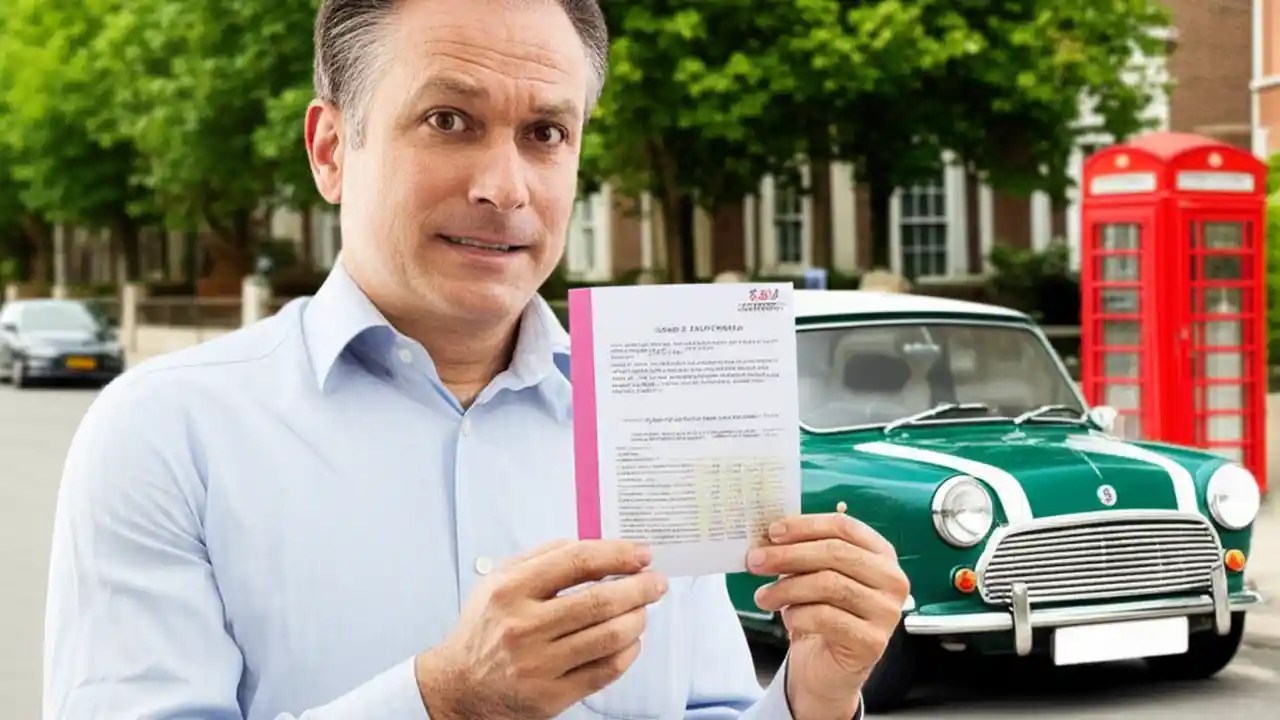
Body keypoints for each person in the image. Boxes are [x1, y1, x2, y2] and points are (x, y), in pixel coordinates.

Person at [42, 1, 909, 718]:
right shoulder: (165, 433)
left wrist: (812, 695)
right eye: (448, 121)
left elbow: (707, 707)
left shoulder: (651, 423)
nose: (505, 187)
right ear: (331, 149)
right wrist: (443, 700)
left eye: (545, 132)